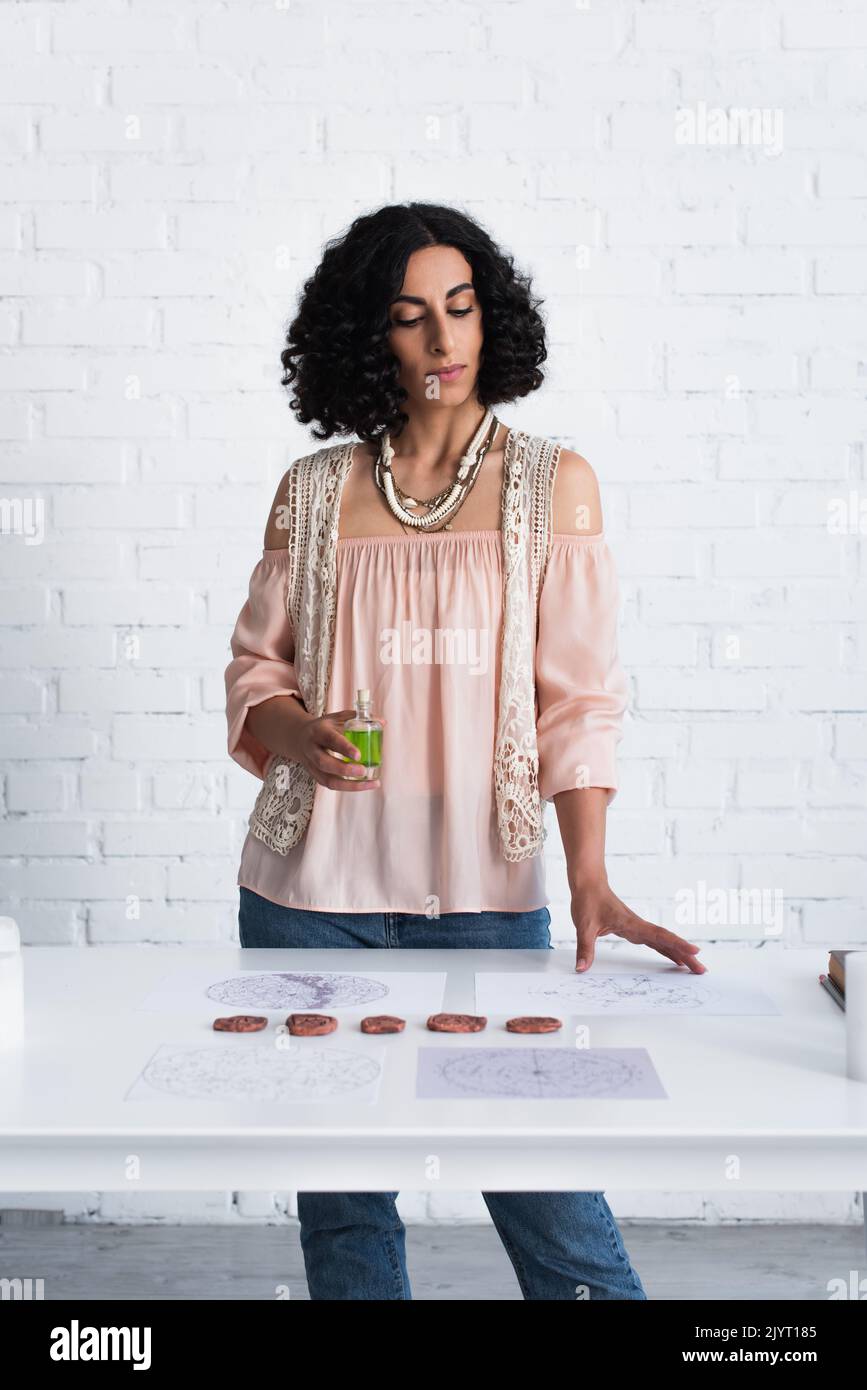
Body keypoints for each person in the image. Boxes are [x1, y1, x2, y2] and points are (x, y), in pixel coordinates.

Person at [224, 202, 704, 1301]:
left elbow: (578, 701)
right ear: (367, 338)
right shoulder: (310, 494)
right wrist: (300, 731)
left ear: (492, 318)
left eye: (461, 309)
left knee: (548, 1195)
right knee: (344, 1210)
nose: (443, 344)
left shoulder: (551, 485)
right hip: (307, 898)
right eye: (408, 319)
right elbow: (256, 676)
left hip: (485, 899)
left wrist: (588, 876)